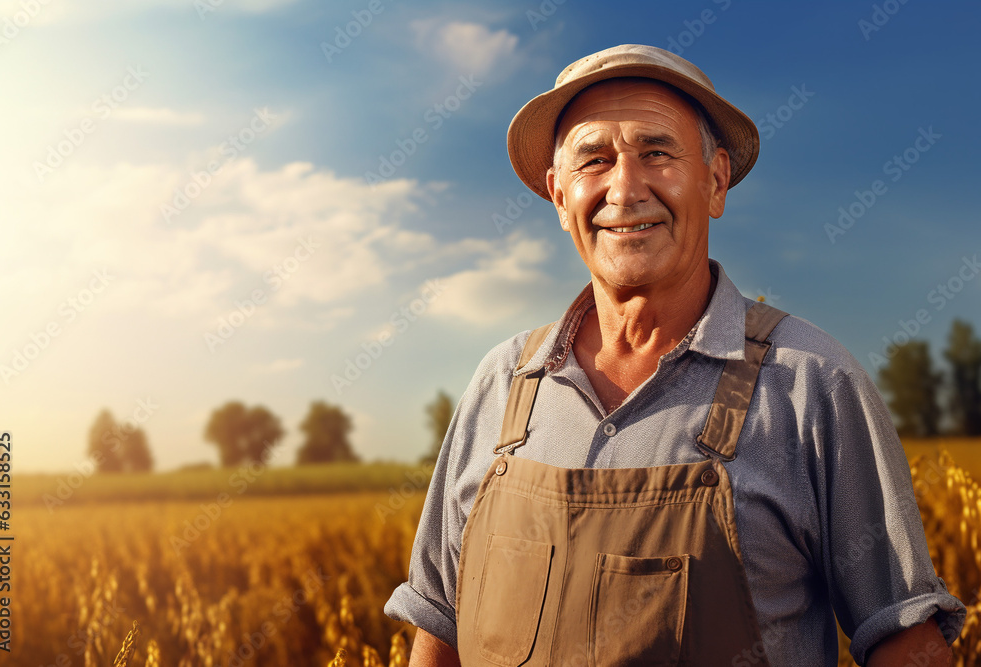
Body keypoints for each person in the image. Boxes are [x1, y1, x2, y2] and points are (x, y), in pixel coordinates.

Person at [384, 44, 966, 666]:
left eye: (657, 153)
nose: (625, 188)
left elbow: (907, 643)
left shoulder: (812, 384)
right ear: (558, 197)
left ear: (715, 181)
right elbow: (440, 631)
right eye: (594, 160)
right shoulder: (501, 383)